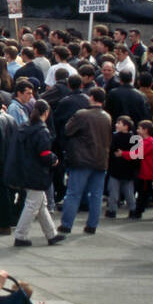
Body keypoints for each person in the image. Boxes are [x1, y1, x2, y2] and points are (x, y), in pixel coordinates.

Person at [8, 100, 65, 247]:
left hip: (25, 170)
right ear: (46, 113)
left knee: (40, 204)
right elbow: (44, 154)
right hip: (37, 172)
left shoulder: (24, 127)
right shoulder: (42, 131)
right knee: (33, 204)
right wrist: (54, 160)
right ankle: (21, 235)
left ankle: (51, 234)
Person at [59, 88, 112, 235]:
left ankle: (66, 224)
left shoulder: (82, 114)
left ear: (92, 98)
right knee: (96, 194)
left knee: (74, 193)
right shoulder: (107, 117)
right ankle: (92, 225)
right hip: (100, 159)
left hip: (82, 159)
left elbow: (68, 130)